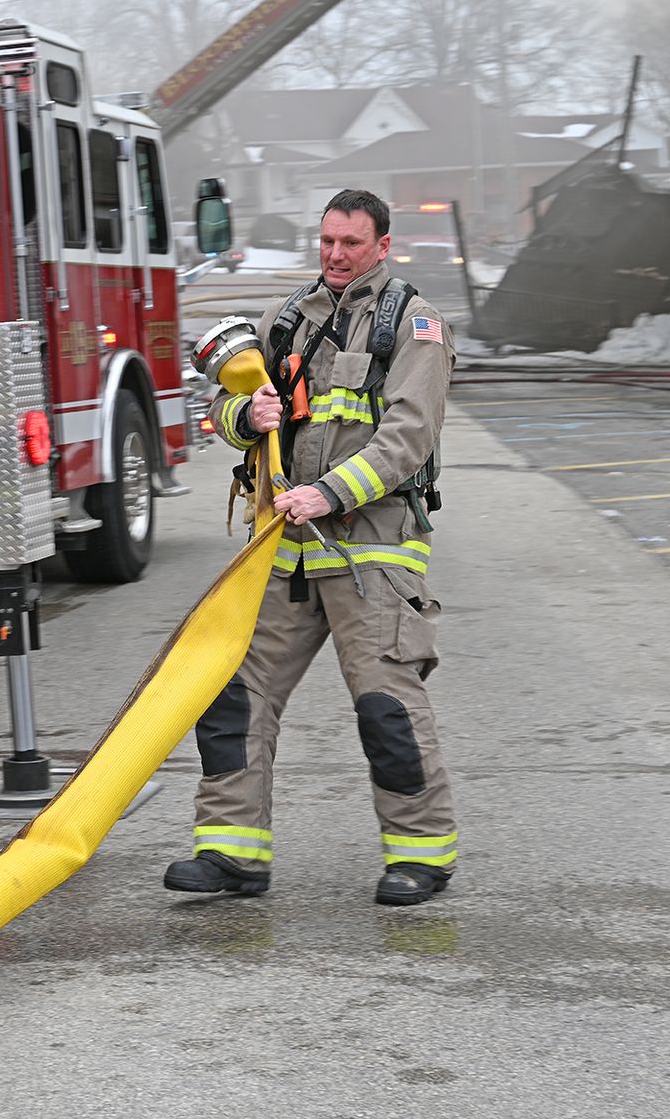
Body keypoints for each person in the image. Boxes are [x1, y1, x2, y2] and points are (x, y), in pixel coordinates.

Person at [166, 188, 460, 907]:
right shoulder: (288, 320)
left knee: (386, 709)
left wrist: (328, 494)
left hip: (375, 554)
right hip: (287, 552)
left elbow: (407, 438)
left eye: (351, 244)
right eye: (327, 241)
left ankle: (423, 855)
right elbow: (224, 415)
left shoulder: (415, 327)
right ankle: (231, 853)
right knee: (234, 697)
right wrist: (243, 411)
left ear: (383, 246)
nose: (335, 255)